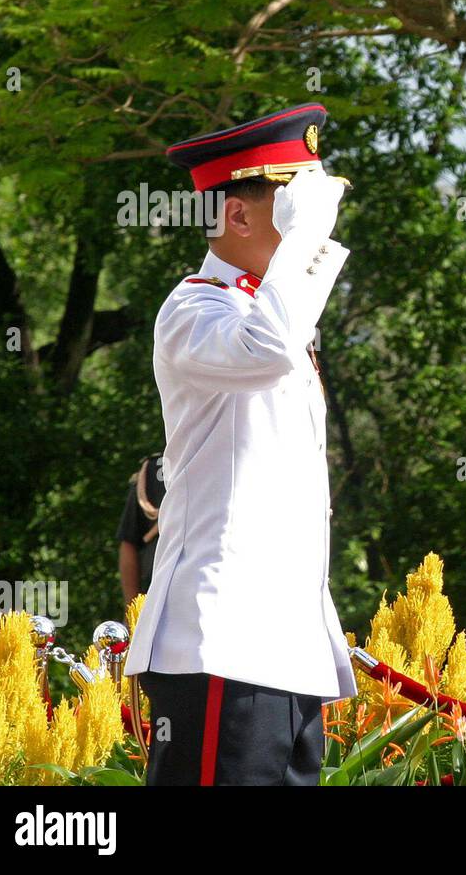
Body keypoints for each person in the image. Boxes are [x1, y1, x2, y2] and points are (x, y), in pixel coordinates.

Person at [123, 103, 358, 785]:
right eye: (289, 205)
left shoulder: (263, 311)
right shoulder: (195, 310)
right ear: (240, 216)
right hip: (220, 643)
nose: (304, 226)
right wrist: (308, 234)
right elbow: (271, 347)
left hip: (283, 649)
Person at [116, 453, 166, 601]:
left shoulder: (229, 462)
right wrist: (132, 608)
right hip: (156, 593)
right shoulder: (155, 469)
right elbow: (129, 541)